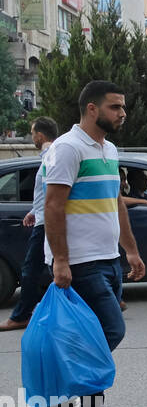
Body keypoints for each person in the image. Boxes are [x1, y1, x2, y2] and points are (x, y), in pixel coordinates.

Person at [40, 80, 146, 407]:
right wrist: (61, 260)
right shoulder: (68, 148)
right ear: (91, 109)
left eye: (123, 106)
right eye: (115, 107)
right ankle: (59, 401)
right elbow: (53, 206)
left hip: (108, 258)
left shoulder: (109, 149)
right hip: (80, 263)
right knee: (110, 331)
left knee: (94, 337)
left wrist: (130, 250)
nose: (122, 113)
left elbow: (116, 203)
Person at [0, 117, 58, 332]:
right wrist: (34, 210)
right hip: (43, 219)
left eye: (33, 134)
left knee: (31, 270)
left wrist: (40, 213)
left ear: (40, 135)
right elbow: (47, 191)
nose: (32, 138)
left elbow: (53, 190)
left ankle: (22, 315)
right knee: (44, 268)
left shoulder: (51, 156)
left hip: (46, 223)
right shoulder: (50, 156)